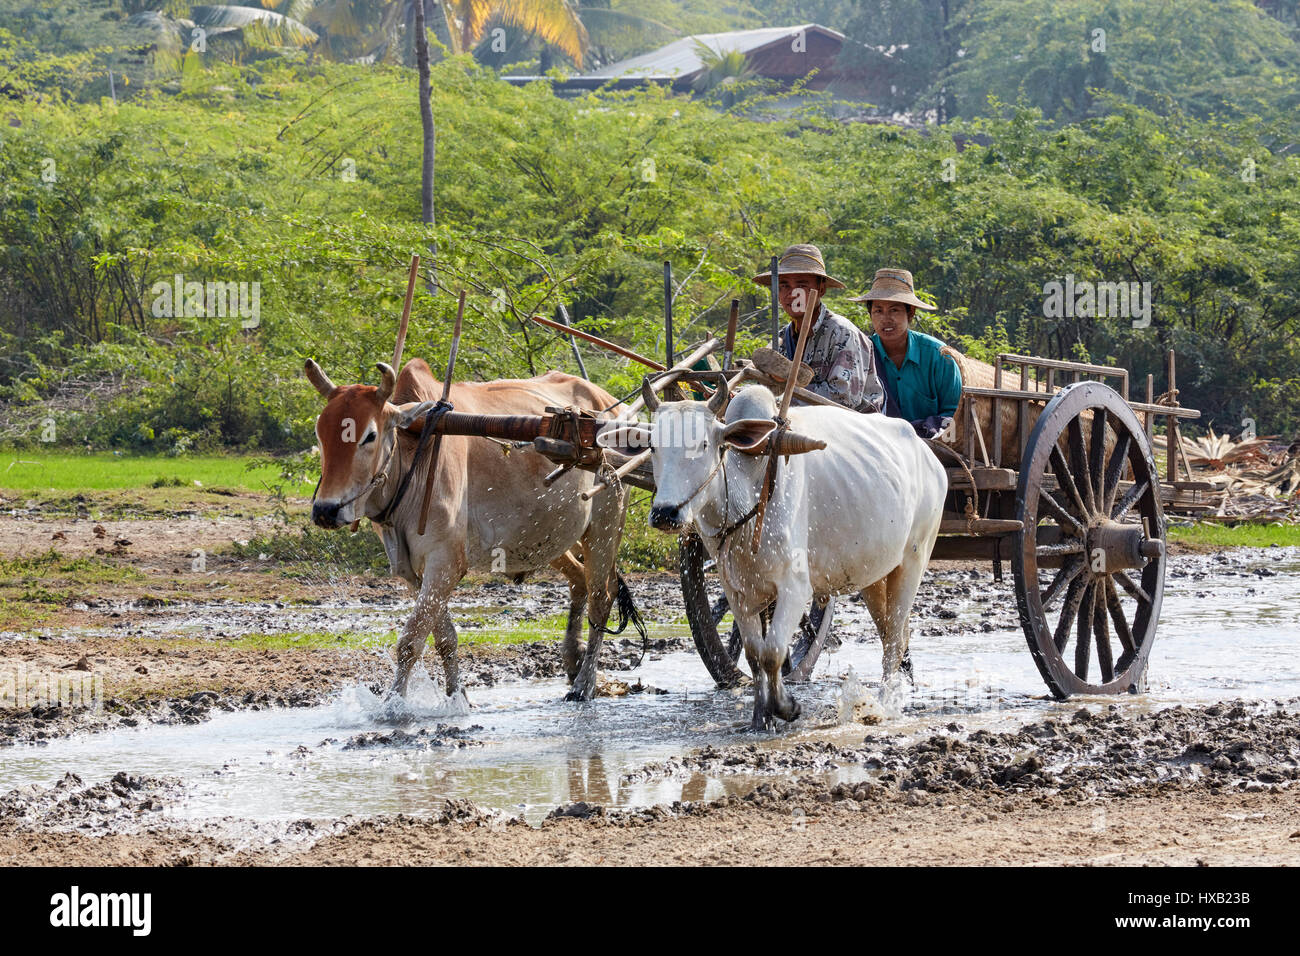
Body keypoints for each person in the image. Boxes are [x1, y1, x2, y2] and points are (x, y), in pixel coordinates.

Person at [753, 244, 885, 414]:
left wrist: (781, 394)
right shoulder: (780, 340)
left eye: (801, 285)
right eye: (784, 285)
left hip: (850, 429)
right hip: (798, 426)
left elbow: (843, 398)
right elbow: (764, 387)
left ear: (821, 289)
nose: (792, 294)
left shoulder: (843, 334)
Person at [848, 268, 962, 440]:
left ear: (910, 313)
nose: (886, 319)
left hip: (933, 448)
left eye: (894, 310)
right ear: (870, 314)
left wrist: (922, 433)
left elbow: (955, 413)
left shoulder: (939, 356)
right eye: (878, 311)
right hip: (879, 445)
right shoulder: (862, 354)